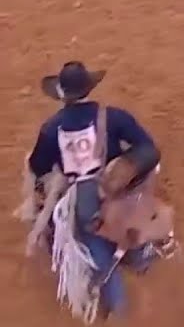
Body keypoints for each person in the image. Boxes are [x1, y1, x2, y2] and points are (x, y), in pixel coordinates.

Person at [25, 62, 162, 320]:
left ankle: (119, 309)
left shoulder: (51, 128)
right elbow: (146, 147)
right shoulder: (112, 116)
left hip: (84, 201)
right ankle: (140, 258)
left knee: (97, 248)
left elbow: (38, 167)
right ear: (89, 89)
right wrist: (122, 171)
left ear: (62, 94)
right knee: (125, 219)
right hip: (117, 194)